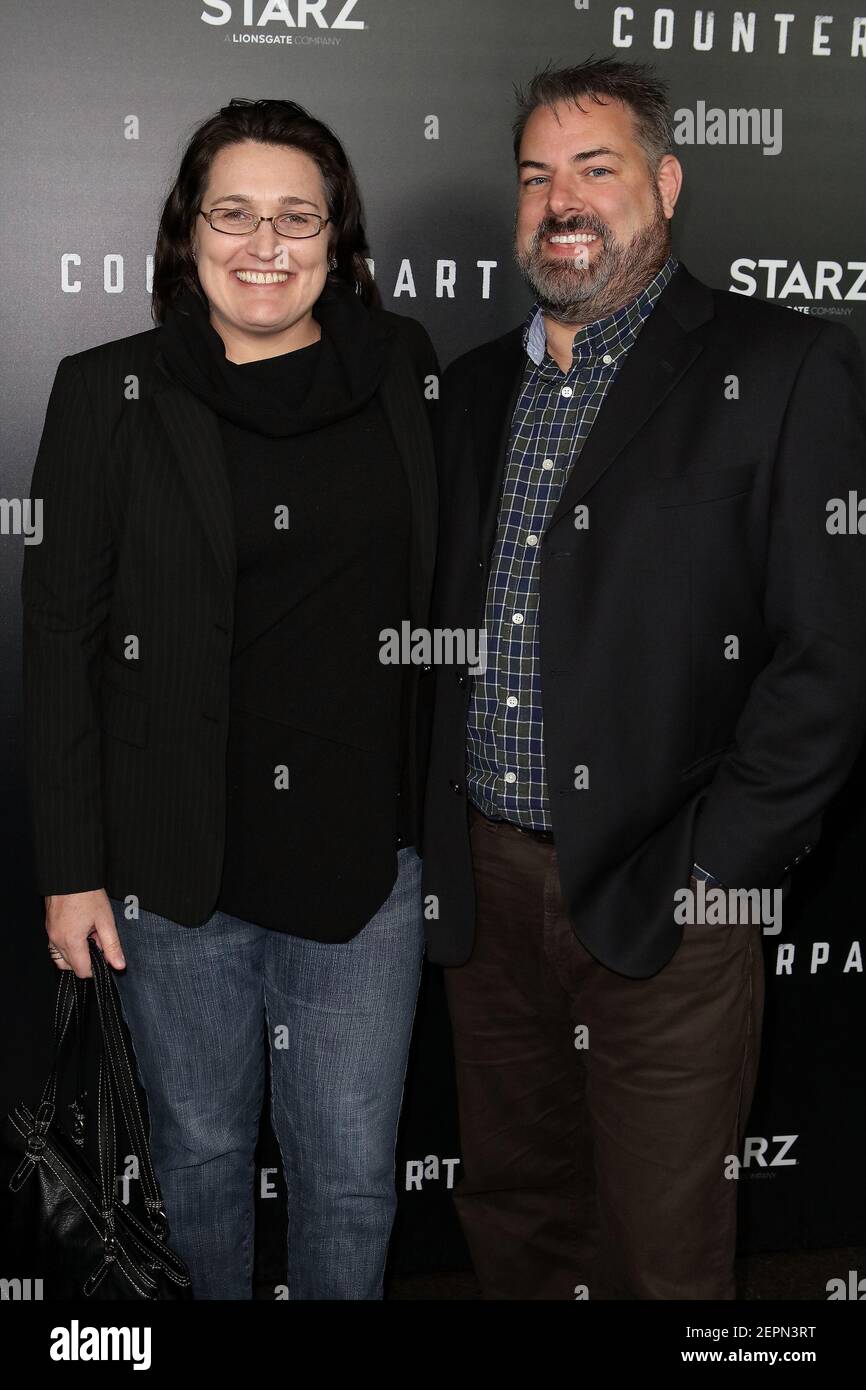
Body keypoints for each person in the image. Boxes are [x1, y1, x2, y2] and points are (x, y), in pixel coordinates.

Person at [421, 57, 866, 1299]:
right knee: (515, 1220)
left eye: (594, 168)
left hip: (669, 896)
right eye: (534, 176)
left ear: (664, 184)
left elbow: (826, 658)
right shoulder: (467, 391)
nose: (558, 200)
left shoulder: (781, 368)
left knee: (663, 1256)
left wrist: (712, 869)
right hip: (488, 896)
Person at [22, 97, 438, 1300]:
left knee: (352, 1174)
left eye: (295, 215)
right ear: (186, 232)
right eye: (234, 213)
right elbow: (61, 641)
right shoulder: (109, 393)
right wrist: (71, 865)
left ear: (337, 234)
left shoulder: (401, 368)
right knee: (200, 1159)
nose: (266, 243)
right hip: (173, 875)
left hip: (364, 864)